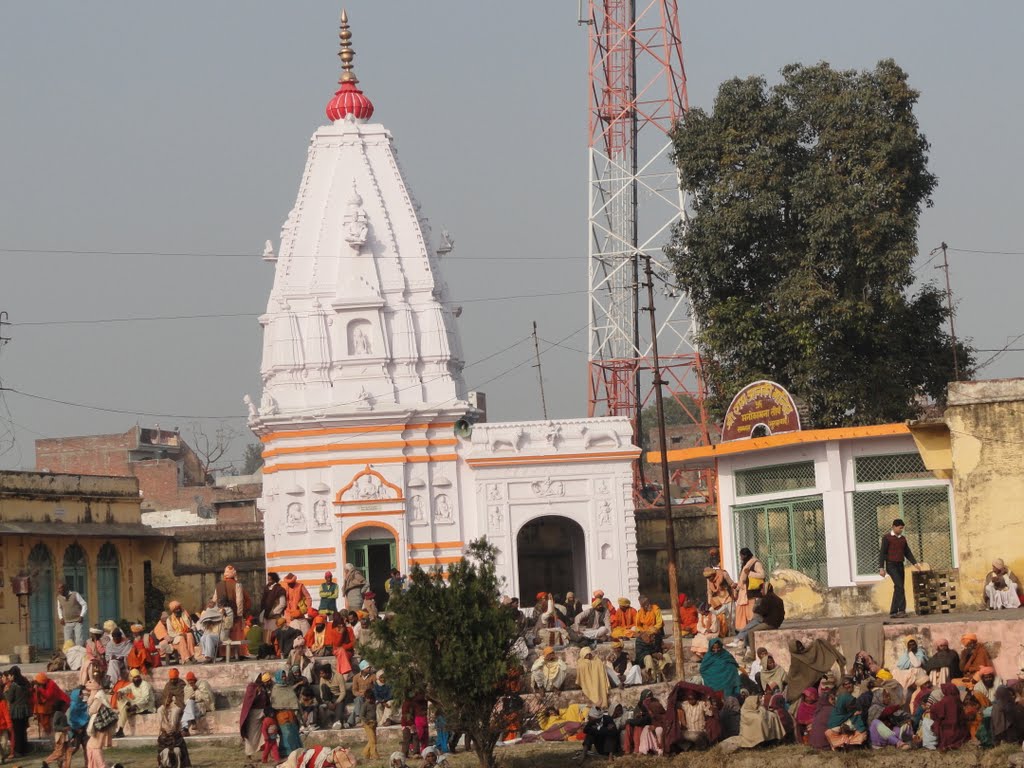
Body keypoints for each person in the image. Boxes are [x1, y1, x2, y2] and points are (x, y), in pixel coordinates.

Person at [878, 517, 920, 619]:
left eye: (902, 528)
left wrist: (915, 563)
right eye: (900, 528)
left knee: (898, 588)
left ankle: (893, 611)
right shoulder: (887, 538)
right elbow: (882, 553)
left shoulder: (902, 539)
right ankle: (901, 610)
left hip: (900, 565)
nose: (901, 530)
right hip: (891, 565)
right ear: (894, 527)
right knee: (900, 586)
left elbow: (907, 552)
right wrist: (881, 568)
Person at [728, 584, 785, 652]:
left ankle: (751, 652)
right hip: (775, 623)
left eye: (761, 589)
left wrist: (755, 608)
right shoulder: (778, 599)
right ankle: (739, 641)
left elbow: (761, 611)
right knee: (752, 624)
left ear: (765, 589)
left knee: (750, 632)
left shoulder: (767, 598)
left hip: (769, 623)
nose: (761, 591)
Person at [212, 564, 251, 654]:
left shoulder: (218, 585)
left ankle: (224, 654)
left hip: (221, 614)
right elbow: (239, 601)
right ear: (234, 574)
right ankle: (238, 653)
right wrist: (240, 614)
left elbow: (214, 599)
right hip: (234, 613)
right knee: (236, 633)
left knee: (224, 632)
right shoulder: (237, 585)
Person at [824, 677, 867, 750]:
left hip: (853, 737)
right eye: (845, 684)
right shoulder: (836, 712)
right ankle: (841, 745)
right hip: (840, 737)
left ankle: (851, 745)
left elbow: (860, 728)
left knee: (861, 734)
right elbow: (832, 727)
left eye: (849, 683)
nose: (848, 686)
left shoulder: (854, 710)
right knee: (829, 732)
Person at [240, 672, 272, 765]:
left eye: (259, 677)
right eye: (257, 677)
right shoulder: (251, 687)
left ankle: (269, 753)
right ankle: (248, 755)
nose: (259, 679)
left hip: (263, 712)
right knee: (251, 735)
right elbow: (249, 702)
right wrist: (256, 693)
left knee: (267, 732)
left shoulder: (262, 686)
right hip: (253, 714)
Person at [114, 668, 155, 737]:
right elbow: (125, 689)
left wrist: (135, 705)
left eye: (138, 677)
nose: (137, 679)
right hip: (135, 705)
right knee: (120, 698)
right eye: (135, 677)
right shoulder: (132, 685)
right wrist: (120, 692)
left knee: (124, 709)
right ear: (132, 678)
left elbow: (145, 699)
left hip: (146, 707)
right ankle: (123, 715)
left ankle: (121, 729)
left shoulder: (145, 685)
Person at [734, 548, 766, 632]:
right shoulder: (745, 564)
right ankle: (742, 633)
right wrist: (737, 588)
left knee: (751, 614)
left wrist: (749, 573)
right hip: (743, 593)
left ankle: (752, 631)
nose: (741, 558)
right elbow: (742, 580)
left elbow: (762, 575)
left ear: (745, 555)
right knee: (740, 612)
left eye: (741, 556)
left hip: (752, 593)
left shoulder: (755, 563)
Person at [85, 680, 115, 768]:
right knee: (92, 746)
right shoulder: (99, 695)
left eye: (90, 691)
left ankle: (101, 766)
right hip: (99, 725)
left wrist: (89, 702)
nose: (89, 693)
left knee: (95, 747)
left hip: (101, 725)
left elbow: (92, 710)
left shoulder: (98, 696)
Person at [930, 682, 969, 750]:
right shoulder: (958, 699)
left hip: (947, 731)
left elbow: (934, 710)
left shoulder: (946, 700)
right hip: (960, 731)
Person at [2, 667, 30, 757]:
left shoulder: (14, 685)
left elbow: (9, 698)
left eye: (10, 675)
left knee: (17, 732)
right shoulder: (25, 682)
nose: (9, 677)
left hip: (16, 711)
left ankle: (18, 751)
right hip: (25, 710)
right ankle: (24, 749)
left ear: (13, 675)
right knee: (23, 731)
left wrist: (6, 692)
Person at [156, 700, 191, 768]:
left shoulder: (178, 736)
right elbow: (159, 751)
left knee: (177, 751)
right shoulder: (161, 737)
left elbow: (184, 752)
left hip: (177, 706)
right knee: (165, 751)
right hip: (165, 757)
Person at [633, 595, 664, 671]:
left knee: (654, 631)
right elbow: (637, 625)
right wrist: (643, 632)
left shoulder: (656, 609)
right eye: (645, 605)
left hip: (654, 629)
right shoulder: (640, 612)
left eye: (648, 603)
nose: (647, 605)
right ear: (642, 606)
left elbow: (659, 623)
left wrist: (651, 630)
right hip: (644, 632)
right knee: (632, 630)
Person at [56, 582, 88, 648]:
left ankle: (79, 656)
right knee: (68, 642)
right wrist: (61, 617)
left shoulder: (75, 594)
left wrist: (82, 616)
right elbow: (59, 608)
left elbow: (84, 604)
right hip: (67, 622)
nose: (59, 590)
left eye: (60, 588)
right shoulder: (59, 598)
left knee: (79, 641)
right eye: (58, 589)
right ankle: (70, 657)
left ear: (65, 588)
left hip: (77, 621)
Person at [260, 573, 287, 646]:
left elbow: (282, 603)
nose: (269, 580)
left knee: (274, 634)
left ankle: (276, 650)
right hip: (266, 616)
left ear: (274, 579)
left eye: (270, 579)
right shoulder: (266, 589)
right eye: (268, 578)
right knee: (266, 635)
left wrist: (274, 612)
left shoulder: (279, 589)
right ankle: (267, 650)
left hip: (274, 617)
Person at [182, 671, 214, 735]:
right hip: (192, 706)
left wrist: (196, 690)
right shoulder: (187, 688)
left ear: (194, 679)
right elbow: (185, 701)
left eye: (191, 680)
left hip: (203, 705)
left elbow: (206, 699)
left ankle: (185, 728)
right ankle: (187, 726)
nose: (190, 682)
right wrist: (191, 699)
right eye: (189, 680)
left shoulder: (203, 684)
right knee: (189, 703)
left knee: (188, 708)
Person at [347, 660, 376, 727]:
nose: (369, 669)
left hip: (369, 696)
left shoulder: (373, 676)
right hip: (360, 696)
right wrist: (360, 694)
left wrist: (368, 694)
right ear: (363, 669)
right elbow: (354, 690)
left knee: (359, 704)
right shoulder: (356, 677)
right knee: (359, 699)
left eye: (369, 667)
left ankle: (350, 722)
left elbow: (375, 688)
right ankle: (357, 718)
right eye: (367, 668)